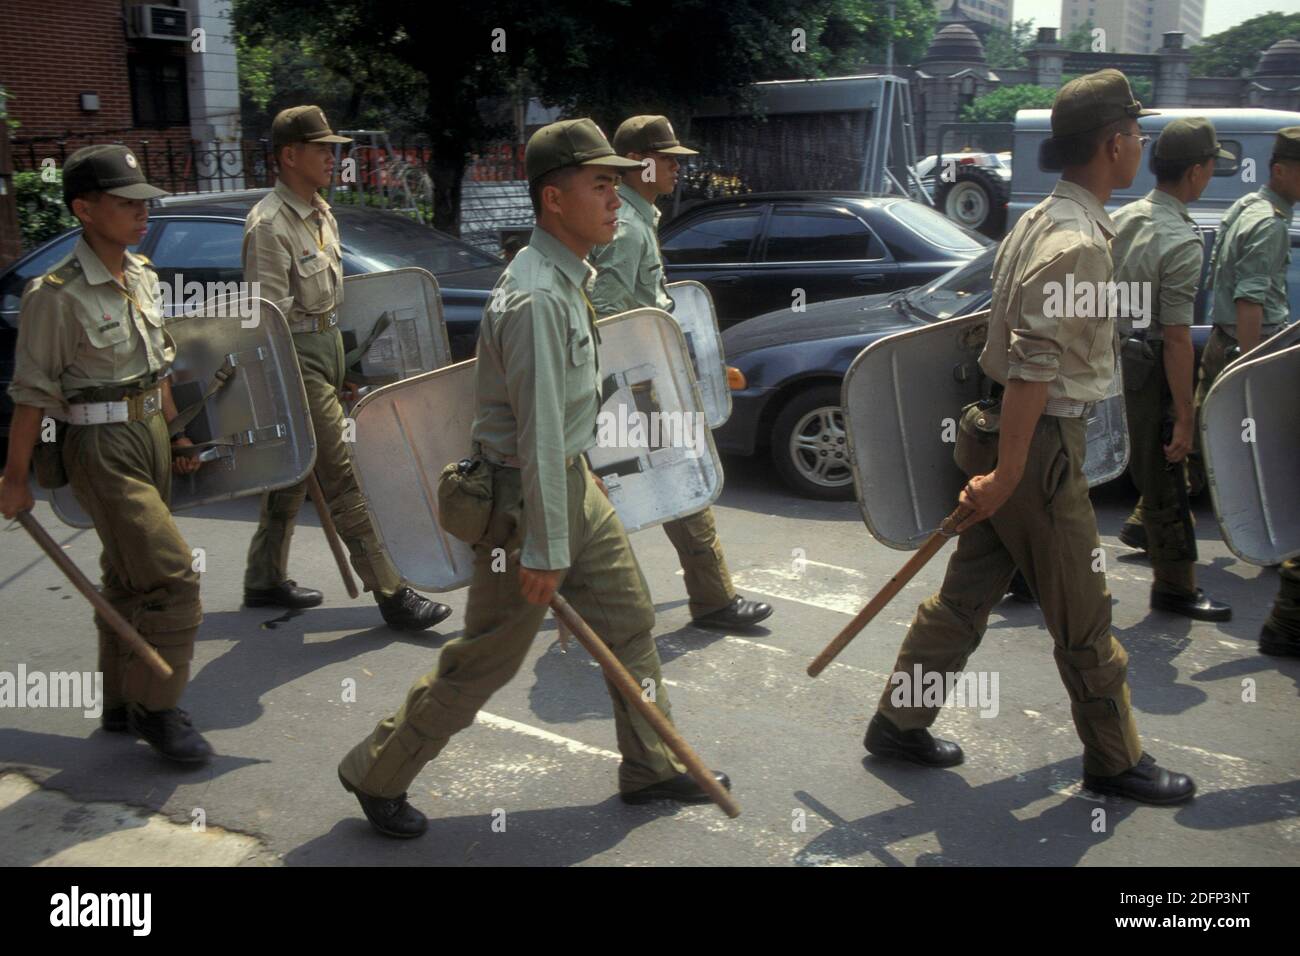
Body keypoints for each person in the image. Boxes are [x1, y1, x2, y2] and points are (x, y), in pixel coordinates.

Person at [337, 119, 731, 837]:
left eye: (619, 184)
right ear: (555, 199)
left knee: (629, 621)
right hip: (524, 507)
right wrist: (548, 548)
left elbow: (566, 430)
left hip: (567, 483)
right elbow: (539, 436)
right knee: (488, 657)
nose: (618, 198)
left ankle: (651, 765)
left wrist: (589, 482)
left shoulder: (565, 276)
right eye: (602, 185)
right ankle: (377, 769)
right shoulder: (539, 299)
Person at [862, 71, 1195, 805]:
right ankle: (1114, 758)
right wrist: (1010, 472)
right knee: (1084, 611)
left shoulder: (1043, 219)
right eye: (1136, 135)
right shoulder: (1077, 242)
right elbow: (1033, 368)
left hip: (1011, 441)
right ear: (1113, 145)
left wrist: (1001, 468)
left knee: (965, 599)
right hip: (1035, 449)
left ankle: (898, 721)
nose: (1140, 145)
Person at [0, 145, 212, 762]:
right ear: (84, 209)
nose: (140, 214)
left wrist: (176, 434)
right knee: (174, 578)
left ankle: (119, 702)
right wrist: (15, 481)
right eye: (125, 204)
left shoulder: (142, 272)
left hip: (148, 434)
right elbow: (31, 397)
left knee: (126, 577)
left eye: (143, 201)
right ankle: (159, 708)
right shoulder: (55, 295)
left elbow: (159, 367)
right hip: (100, 446)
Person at [240, 105, 450, 631]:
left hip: (327, 352)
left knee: (293, 471)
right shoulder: (268, 225)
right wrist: (290, 384)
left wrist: (344, 364)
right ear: (290, 155)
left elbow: (331, 304)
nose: (333, 158)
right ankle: (391, 591)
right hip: (296, 361)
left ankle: (263, 577)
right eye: (321, 148)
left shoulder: (320, 212)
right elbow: (265, 321)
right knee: (343, 475)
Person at [589, 114, 772, 630]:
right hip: (636, 383)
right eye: (668, 158)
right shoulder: (627, 229)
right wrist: (646, 382)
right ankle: (713, 600)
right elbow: (606, 316)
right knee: (681, 474)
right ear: (640, 164)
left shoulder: (635, 217)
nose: (676, 167)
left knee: (648, 482)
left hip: (636, 379)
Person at [1111, 118, 1233, 621]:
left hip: (1108, 359)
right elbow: (1179, 338)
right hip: (1150, 367)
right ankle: (1176, 588)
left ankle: (1027, 574)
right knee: (1165, 472)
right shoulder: (1183, 239)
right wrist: (1186, 415)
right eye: (1209, 168)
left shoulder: (1123, 218)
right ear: (1197, 172)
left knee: (1074, 470)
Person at [1187, 126, 1300, 496]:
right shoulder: (1270, 224)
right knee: (1270, 449)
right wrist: (1250, 374)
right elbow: (1249, 301)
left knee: (1206, 438)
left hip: (1224, 339)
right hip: (1253, 344)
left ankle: (1156, 515)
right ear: (1280, 171)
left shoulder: (1247, 205)